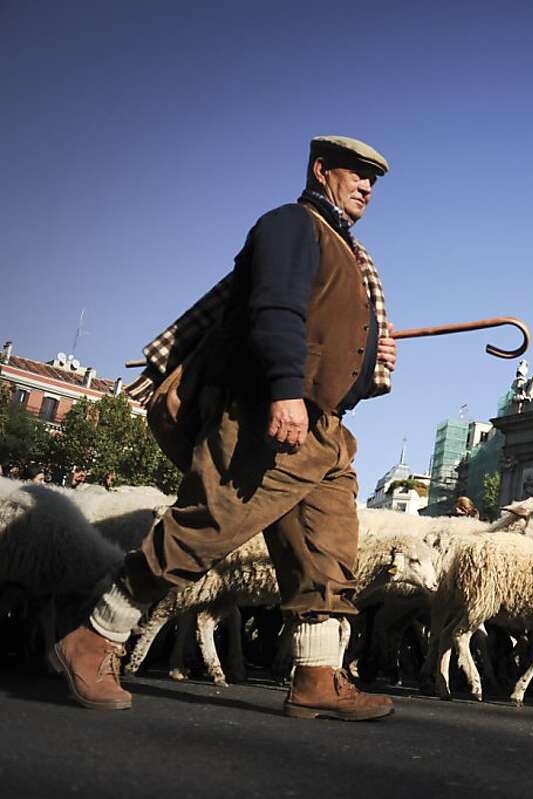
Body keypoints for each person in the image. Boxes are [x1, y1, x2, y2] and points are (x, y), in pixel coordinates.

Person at [52, 135, 399, 721]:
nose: (367, 185)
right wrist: (286, 392)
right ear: (322, 171)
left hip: (325, 431)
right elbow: (275, 312)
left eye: (374, 179)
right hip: (271, 414)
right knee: (206, 526)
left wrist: (367, 363)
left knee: (327, 551)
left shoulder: (347, 251)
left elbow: (328, 352)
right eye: (356, 173)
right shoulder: (294, 225)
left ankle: (316, 677)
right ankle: (92, 639)